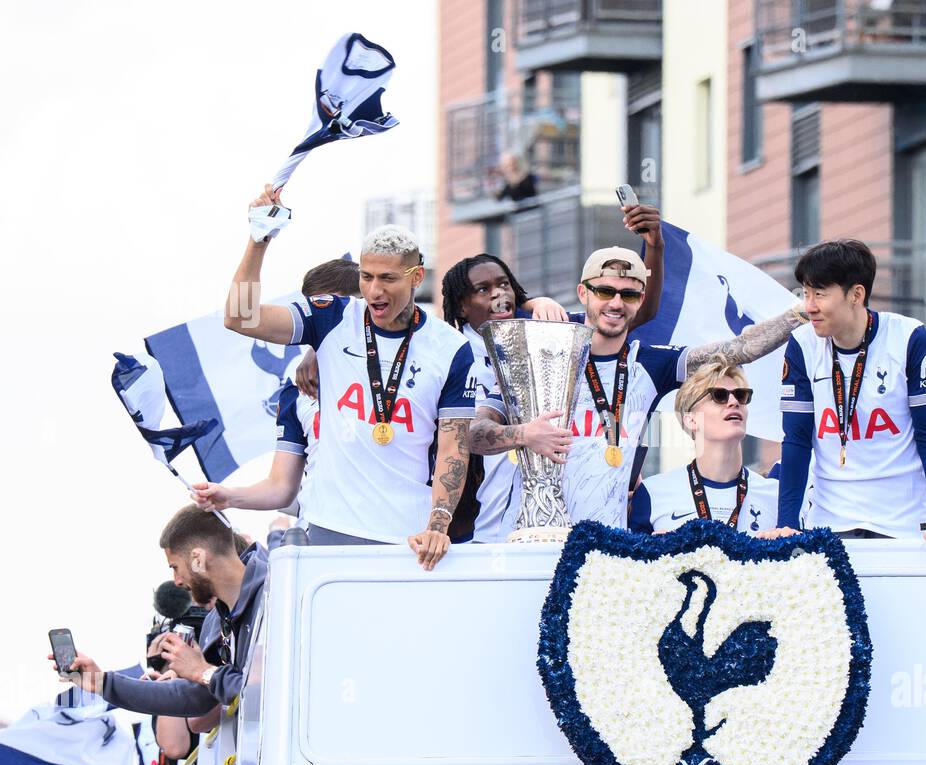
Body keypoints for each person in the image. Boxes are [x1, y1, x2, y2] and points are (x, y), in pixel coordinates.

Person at [223, 184, 477, 569]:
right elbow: (240, 318)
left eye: (388, 279)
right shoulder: (331, 316)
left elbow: (453, 448)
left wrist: (438, 525)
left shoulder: (451, 347)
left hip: (407, 536)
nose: (374, 290)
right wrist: (259, 240)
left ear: (416, 276)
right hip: (329, 527)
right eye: (367, 276)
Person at [472, 245, 808, 529]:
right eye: (605, 291)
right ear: (582, 293)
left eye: (629, 294)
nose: (616, 303)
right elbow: (473, 435)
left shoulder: (652, 364)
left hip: (605, 547)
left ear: (640, 299)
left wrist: (800, 313)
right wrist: (523, 435)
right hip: (530, 537)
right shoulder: (541, 352)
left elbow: (739, 350)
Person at [447, 204, 665, 540]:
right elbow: (464, 436)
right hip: (481, 520)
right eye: (483, 289)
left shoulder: (544, 337)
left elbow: (632, 312)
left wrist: (655, 248)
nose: (498, 294)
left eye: (505, 284)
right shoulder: (451, 353)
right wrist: (523, 434)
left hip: (546, 517)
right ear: (461, 305)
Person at [773, 240, 926, 559]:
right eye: (805, 293)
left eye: (819, 294)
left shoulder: (909, 338)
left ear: (856, 294)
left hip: (902, 523)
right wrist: (786, 523)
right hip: (829, 523)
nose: (809, 306)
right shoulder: (802, 345)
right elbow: (796, 440)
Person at [56, 507, 268, 717]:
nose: (176, 581)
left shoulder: (277, 593)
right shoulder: (216, 624)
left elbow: (272, 694)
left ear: (198, 559)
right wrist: (102, 682)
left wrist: (202, 671)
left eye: (175, 567)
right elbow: (192, 697)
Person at [192, 258, 358, 524]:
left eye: (333, 308)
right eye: (314, 310)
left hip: (393, 534)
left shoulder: (409, 367)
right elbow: (280, 487)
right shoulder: (298, 393)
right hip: (322, 533)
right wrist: (230, 497)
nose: (323, 321)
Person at [630, 361, 778, 534]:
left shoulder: (776, 495)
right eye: (719, 396)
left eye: (741, 395)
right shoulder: (652, 493)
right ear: (691, 419)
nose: (733, 402)